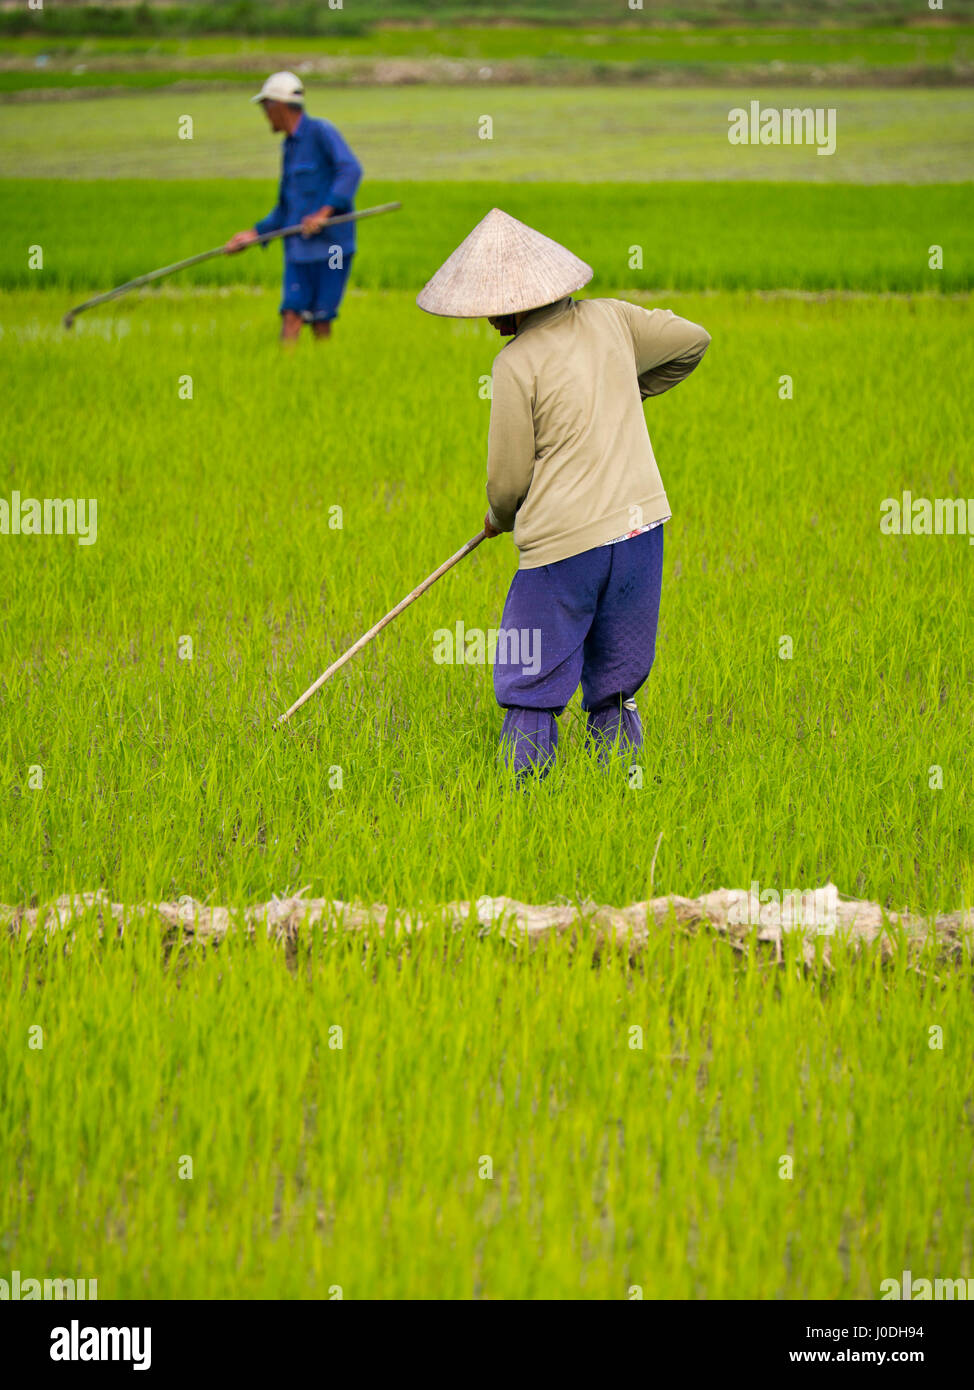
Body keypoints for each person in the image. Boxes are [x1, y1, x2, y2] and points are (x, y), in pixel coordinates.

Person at [416, 208, 711, 776]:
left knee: (531, 677)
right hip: (642, 533)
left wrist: (497, 517)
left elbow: (507, 481)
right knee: (617, 681)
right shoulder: (614, 320)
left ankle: (525, 801)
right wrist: (625, 391)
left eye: (493, 306)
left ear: (518, 302)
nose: (488, 319)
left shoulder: (514, 364)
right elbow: (691, 341)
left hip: (563, 550)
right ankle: (622, 789)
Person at [225, 71, 362, 343]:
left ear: (277, 106)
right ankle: (285, 375)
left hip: (332, 248)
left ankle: (323, 376)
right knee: (291, 313)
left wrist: (324, 213)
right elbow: (286, 207)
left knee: (322, 320)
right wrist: (253, 234)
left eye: (265, 108)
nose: (265, 115)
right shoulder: (289, 148)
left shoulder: (321, 132)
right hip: (299, 250)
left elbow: (350, 170)